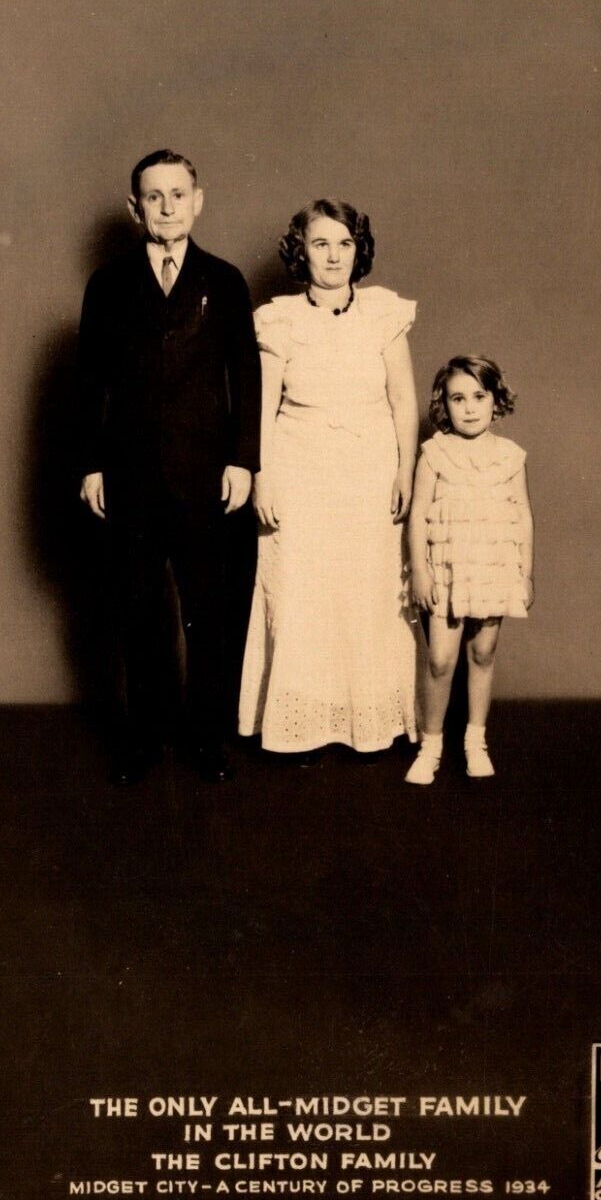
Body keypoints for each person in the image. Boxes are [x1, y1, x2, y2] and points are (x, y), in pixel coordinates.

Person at [77, 149, 260, 782]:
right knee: (139, 607)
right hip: (129, 475)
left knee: (208, 608)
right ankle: (144, 739)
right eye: (153, 197)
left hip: (206, 476)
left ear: (198, 201)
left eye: (177, 194)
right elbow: (89, 382)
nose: (166, 207)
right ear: (135, 208)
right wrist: (92, 465)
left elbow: (248, 379)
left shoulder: (225, 281)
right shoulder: (107, 284)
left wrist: (243, 463)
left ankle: (206, 738)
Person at [238, 198, 420, 755]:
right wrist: (262, 478)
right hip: (300, 470)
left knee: (368, 590)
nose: (334, 255)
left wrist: (405, 471)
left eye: (344, 243)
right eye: (320, 244)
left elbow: (404, 402)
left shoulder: (384, 313)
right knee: (299, 591)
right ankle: (302, 724)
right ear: (302, 252)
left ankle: (369, 721)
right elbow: (262, 409)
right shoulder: (278, 319)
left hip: (369, 469)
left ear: (358, 249)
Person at [404, 355, 534, 785]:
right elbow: (418, 514)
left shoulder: (509, 457)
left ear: (496, 400)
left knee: (482, 653)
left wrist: (525, 572)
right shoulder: (434, 453)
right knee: (441, 660)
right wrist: (420, 572)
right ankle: (431, 745)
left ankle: (475, 742)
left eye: (479, 396)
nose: (470, 407)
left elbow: (523, 516)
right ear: (444, 403)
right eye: (458, 398)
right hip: (447, 568)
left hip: (492, 567)